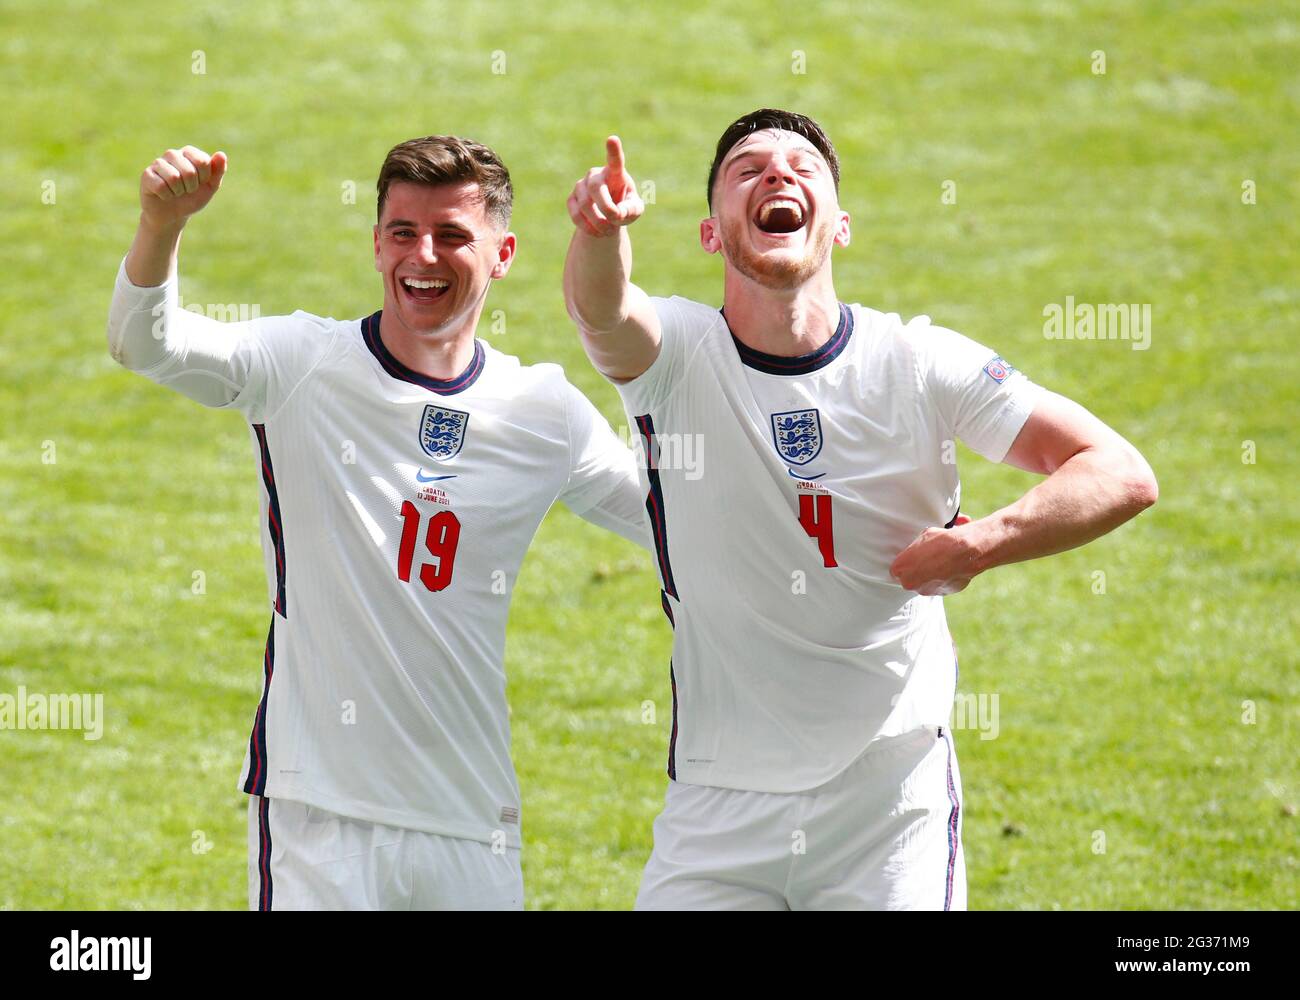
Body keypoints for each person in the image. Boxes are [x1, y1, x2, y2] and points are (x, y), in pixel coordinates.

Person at [563, 108, 1158, 910]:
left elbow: (1119, 470)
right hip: (718, 805)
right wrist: (600, 232)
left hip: (888, 805)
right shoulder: (674, 357)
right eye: (748, 168)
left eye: (802, 166)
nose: (777, 175)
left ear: (840, 225)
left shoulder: (918, 362)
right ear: (710, 233)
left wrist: (982, 543)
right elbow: (603, 310)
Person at [108, 136, 648, 910]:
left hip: (470, 820)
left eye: (453, 235)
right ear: (376, 244)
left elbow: (678, 527)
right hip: (320, 817)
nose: (422, 255)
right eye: (403, 232)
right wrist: (161, 226)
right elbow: (144, 344)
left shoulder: (544, 413)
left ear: (503, 254)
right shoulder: (302, 366)